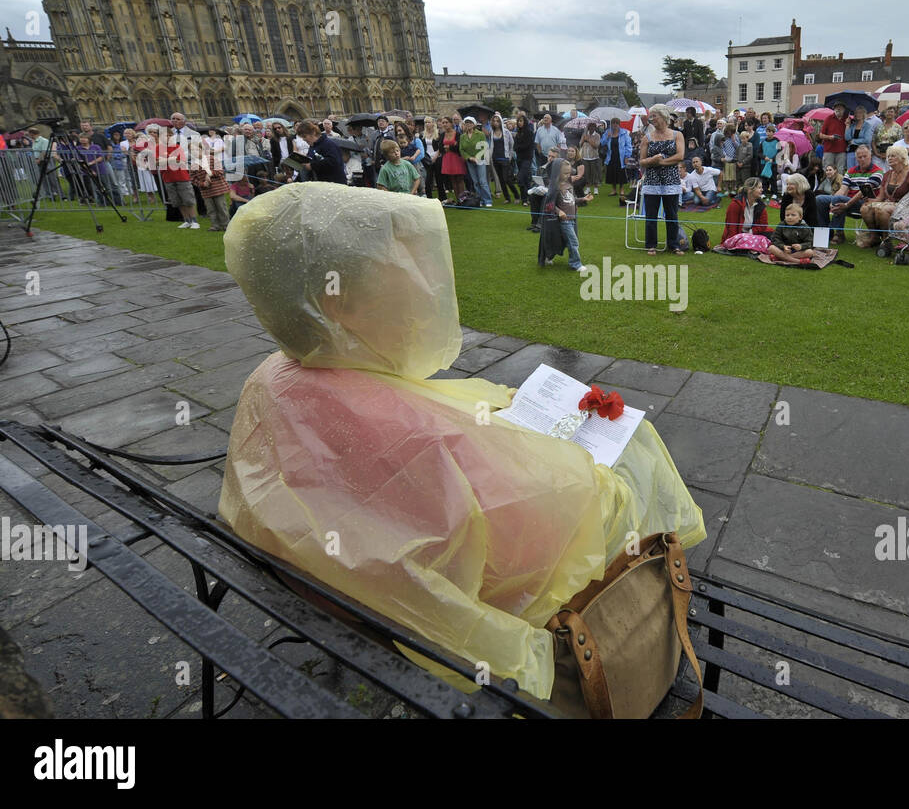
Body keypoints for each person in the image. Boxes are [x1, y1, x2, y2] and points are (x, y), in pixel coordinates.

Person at [218, 182, 704, 700]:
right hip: (432, 593)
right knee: (635, 450)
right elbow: (544, 537)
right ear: (337, 304)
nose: (420, 291)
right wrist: (594, 469)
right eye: (397, 276)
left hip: (316, 580)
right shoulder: (419, 438)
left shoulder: (275, 376)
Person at [639, 104, 685, 255]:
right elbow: (642, 161)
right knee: (651, 215)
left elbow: (680, 156)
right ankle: (651, 245)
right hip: (652, 181)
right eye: (650, 116)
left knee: (671, 214)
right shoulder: (647, 138)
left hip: (671, 180)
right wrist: (652, 160)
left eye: (654, 116)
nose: (652, 119)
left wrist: (662, 162)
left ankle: (674, 244)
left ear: (664, 117)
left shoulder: (677, 135)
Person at [857, 144, 909, 248]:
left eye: (893, 156)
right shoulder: (887, 174)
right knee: (865, 208)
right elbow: (880, 198)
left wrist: (898, 205)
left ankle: (886, 239)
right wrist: (870, 199)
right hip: (888, 203)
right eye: (888, 156)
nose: (889, 158)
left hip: (906, 206)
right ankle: (875, 237)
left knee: (882, 209)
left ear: (902, 157)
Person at [818, 145, 882, 243]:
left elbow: (863, 192)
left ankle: (838, 234)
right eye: (860, 157)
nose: (863, 159)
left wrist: (846, 204)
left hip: (865, 204)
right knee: (819, 199)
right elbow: (843, 189)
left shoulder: (877, 172)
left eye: (865, 156)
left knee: (838, 199)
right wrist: (832, 201)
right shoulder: (851, 171)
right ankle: (825, 231)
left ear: (871, 156)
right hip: (847, 201)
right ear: (856, 159)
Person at [543, 158, 591, 273]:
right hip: (564, 221)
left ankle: (549, 256)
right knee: (573, 241)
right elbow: (549, 205)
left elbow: (571, 199)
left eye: (569, 173)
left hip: (572, 219)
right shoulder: (554, 186)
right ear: (557, 172)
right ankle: (576, 264)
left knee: (563, 241)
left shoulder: (569, 184)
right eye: (565, 173)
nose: (568, 175)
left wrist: (582, 199)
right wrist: (559, 211)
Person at [721, 178, 772, 248]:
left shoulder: (761, 205)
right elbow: (732, 227)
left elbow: (763, 225)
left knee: (773, 236)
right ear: (750, 190)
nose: (762, 190)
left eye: (762, 188)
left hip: (753, 234)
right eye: (759, 188)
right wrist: (733, 241)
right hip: (738, 235)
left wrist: (751, 232)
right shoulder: (736, 204)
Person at [459, 117, 492, 207]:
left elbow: (484, 146)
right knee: (475, 182)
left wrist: (477, 157)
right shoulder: (462, 136)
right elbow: (461, 150)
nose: (468, 124)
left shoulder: (480, 134)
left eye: (470, 122)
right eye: (466, 123)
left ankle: (488, 200)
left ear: (474, 124)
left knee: (482, 181)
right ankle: (479, 200)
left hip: (480, 160)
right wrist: (470, 158)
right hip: (470, 161)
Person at [488, 113, 519, 202]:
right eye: (494, 121)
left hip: (505, 158)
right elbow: (491, 145)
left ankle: (516, 195)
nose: (495, 122)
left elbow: (511, 144)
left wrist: (510, 156)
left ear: (501, 122)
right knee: (501, 180)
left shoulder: (506, 132)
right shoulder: (491, 132)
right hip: (495, 158)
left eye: (497, 121)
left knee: (507, 179)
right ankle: (507, 198)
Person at [599, 118, 631, 199]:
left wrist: (627, 156)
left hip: (621, 156)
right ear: (611, 124)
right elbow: (602, 143)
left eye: (617, 123)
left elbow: (628, 145)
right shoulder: (607, 132)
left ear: (619, 124)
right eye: (613, 123)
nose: (615, 124)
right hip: (611, 156)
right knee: (612, 172)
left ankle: (621, 189)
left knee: (621, 172)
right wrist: (607, 137)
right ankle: (613, 190)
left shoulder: (624, 133)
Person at [437, 116, 466, 198]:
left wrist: (449, 147)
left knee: (459, 179)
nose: (445, 124)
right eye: (443, 123)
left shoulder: (457, 134)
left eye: (446, 122)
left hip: (457, 158)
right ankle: (458, 199)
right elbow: (440, 147)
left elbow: (459, 147)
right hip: (447, 159)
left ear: (451, 123)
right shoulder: (442, 135)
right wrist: (451, 145)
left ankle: (463, 199)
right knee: (452, 180)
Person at [819, 102, 849, 172]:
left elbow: (849, 135)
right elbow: (821, 135)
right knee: (828, 170)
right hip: (829, 150)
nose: (838, 109)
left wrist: (848, 125)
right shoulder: (828, 119)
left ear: (844, 109)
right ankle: (829, 183)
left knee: (840, 170)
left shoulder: (847, 119)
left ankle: (838, 183)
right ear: (834, 109)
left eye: (840, 108)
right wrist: (830, 137)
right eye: (837, 107)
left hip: (842, 150)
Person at [513, 111, 535, 203]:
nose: (519, 123)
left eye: (521, 121)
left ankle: (528, 197)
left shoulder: (529, 132)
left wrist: (518, 147)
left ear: (525, 122)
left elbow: (526, 145)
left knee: (520, 178)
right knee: (526, 180)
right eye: (518, 121)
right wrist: (518, 147)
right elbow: (515, 146)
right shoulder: (518, 133)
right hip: (519, 159)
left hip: (527, 158)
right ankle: (526, 199)